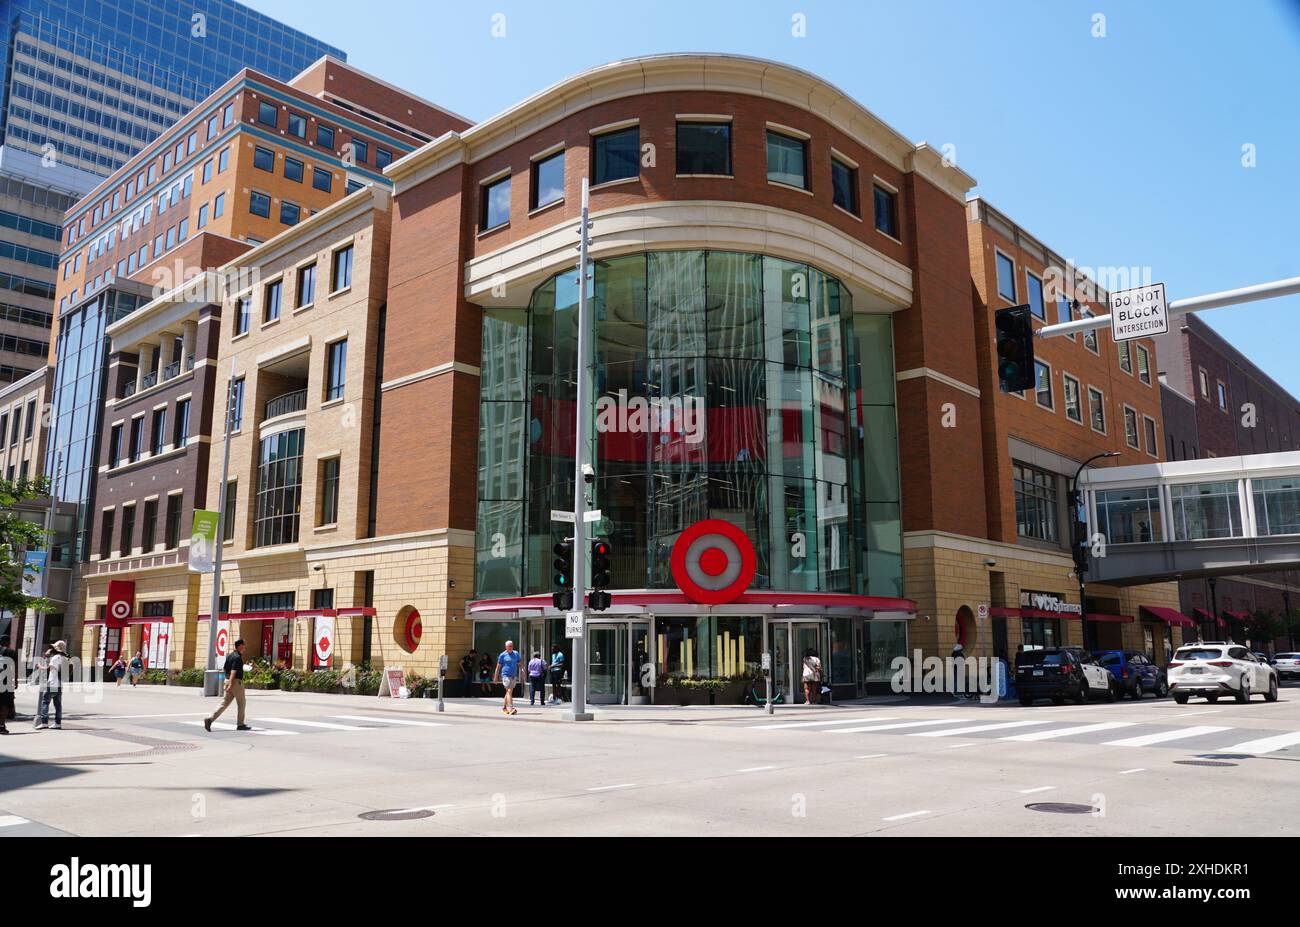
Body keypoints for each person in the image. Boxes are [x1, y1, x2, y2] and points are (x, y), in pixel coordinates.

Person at [203, 638, 251, 732]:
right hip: (235, 682)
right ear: (240, 646)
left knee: (224, 703)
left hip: (228, 680)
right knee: (241, 703)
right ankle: (240, 724)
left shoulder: (229, 656)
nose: (245, 647)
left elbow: (225, 669)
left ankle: (210, 719)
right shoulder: (237, 657)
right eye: (244, 645)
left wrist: (227, 681)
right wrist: (230, 684)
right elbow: (233, 671)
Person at [36, 641, 68, 730]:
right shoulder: (64, 657)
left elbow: (49, 669)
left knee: (45, 702)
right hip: (59, 684)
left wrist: (39, 666)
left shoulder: (55, 658)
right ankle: (58, 723)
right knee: (58, 705)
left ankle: (44, 722)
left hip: (53, 683)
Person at [495, 640, 522, 715]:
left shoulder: (516, 654)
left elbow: (519, 664)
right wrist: (495, 677)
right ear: (506, 647)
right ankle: (511, 708)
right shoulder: (502, 655)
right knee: (509, 691)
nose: (510, 647)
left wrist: (522, 671)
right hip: (506, 675)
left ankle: (504, 707)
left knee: (508, 692)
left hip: (513, 676)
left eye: (511, 646)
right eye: (509, 646)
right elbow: (498, 667)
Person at [0, 633, 16, 735]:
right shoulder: (11, 652)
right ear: (8, 642)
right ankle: (1, 725)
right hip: (6, 681)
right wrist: (16, 680)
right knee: (5, 704)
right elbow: (15, 668)